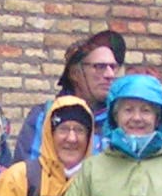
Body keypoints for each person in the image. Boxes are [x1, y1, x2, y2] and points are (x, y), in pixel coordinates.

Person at [15, 29, 125, 161]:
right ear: (74, 73)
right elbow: (27, 174)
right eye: (99, 66)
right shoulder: (45, 116)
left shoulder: (121, 119)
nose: (109, 75)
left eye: (113, 67)